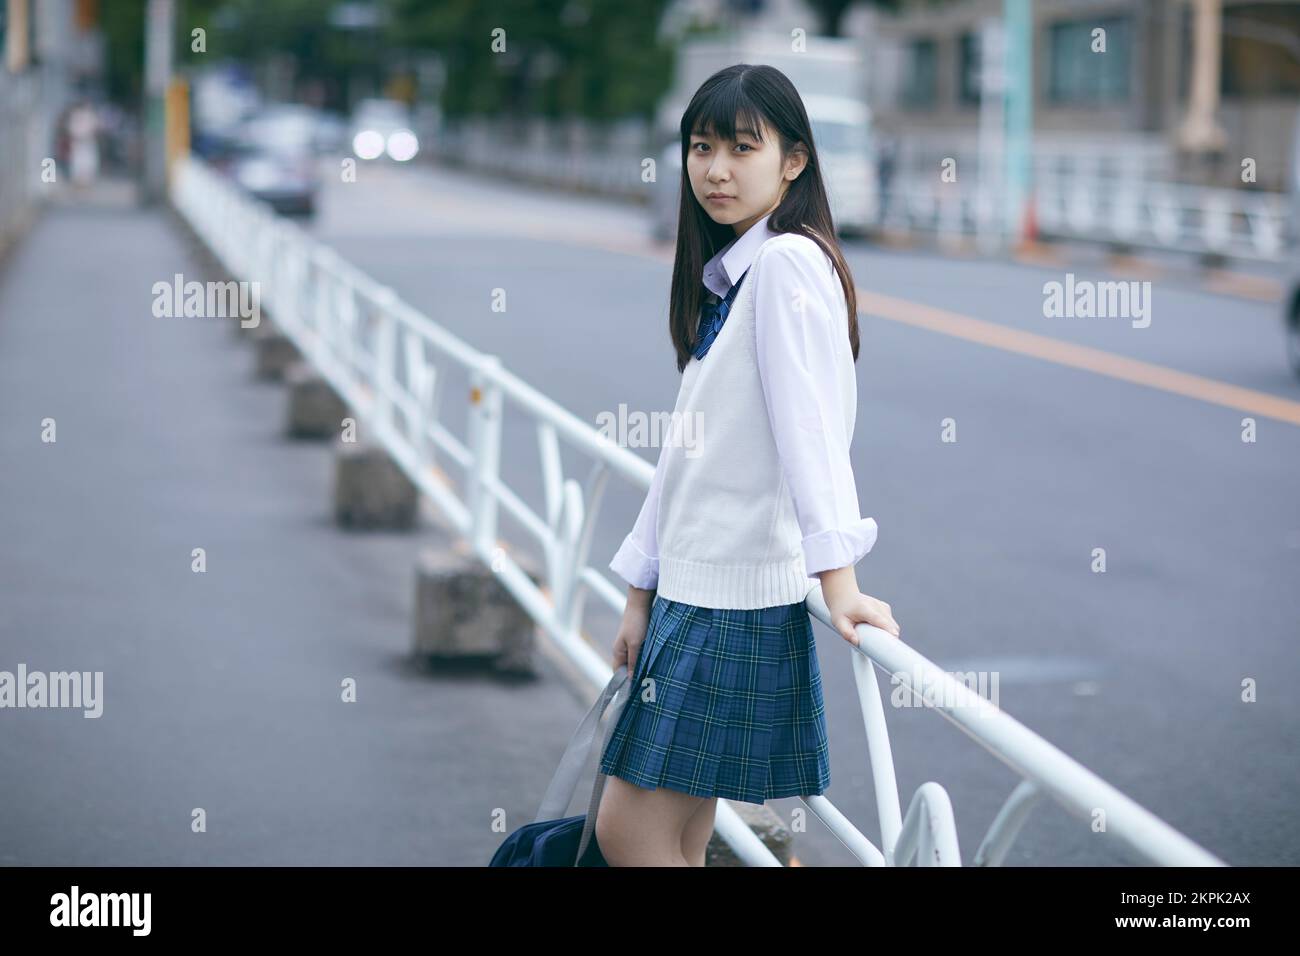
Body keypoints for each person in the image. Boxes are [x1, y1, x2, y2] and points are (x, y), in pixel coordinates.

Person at [594, 64, 901, 867]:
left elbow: (813, 434)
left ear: (794, 160)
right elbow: (683, 460)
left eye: (741, 147)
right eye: (700, 147)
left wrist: (841, 583)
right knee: (681, 834)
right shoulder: (736, 277)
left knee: (628, 831)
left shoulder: (787, 267)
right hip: (693, 597)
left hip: (729, 606)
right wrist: (640, 594)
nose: (716, 169)